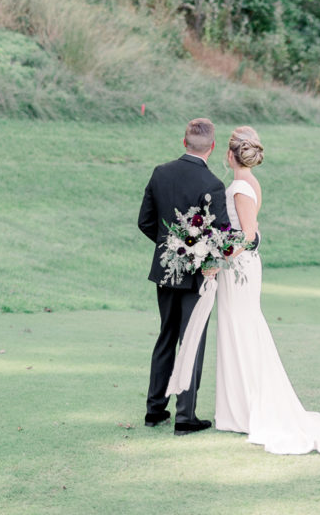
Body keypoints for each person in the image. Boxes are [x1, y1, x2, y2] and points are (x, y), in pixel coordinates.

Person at [215, 125, 320, 455]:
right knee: (240, 329)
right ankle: (238, 408)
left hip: (238, 269)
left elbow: (248, 235)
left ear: (229, 154)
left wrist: (220, 253)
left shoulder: (239, 187)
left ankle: (243, 411)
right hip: (241, 268)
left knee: (241, 329)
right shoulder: (250, 182)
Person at [138, 116, 228, 435]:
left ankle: (154, 410)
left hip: (165, 270)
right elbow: (221, 235)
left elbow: (145, 222)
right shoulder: (213, 185)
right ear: (212, 147)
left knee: (166, 336)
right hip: (196, 275)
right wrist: (195, 252)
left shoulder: (161, 173)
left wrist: (172, 248)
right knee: (192, 340)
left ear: (184, 141)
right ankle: (185, 416)